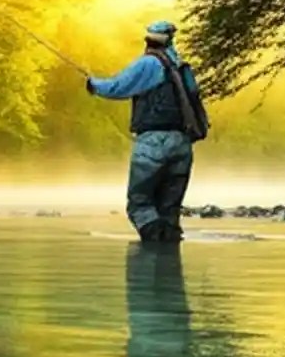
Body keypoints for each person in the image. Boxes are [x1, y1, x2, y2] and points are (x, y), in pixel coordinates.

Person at [86, 21, 208, 242]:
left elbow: (118, 87)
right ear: (170, 40)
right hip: (182, 144)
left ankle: (151, 257)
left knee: (140, 204)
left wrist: (93, 85)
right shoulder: (181, 67)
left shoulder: (149, 64)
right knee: (169, 210)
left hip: (153, 143)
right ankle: (169, 266)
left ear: (148, 41)